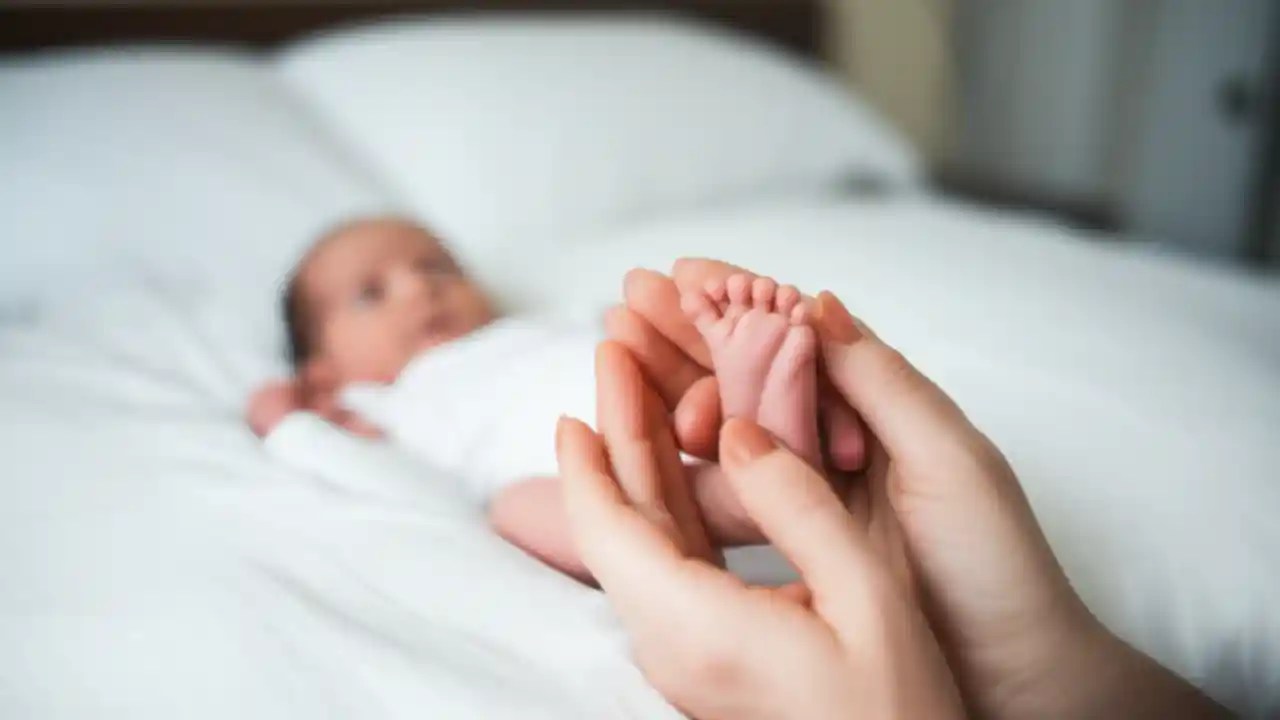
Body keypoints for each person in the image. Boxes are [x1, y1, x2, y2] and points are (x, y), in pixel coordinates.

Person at [553, 258, 1231, 719]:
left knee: (705, 447)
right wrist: (1045, 669)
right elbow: (490, 499)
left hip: (649, 408)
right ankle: (756, 466)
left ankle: (766, 443)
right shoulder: (449, 386)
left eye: (445, 266)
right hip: (571, 434)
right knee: (551, 499)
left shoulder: (553, 317)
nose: (438, 291)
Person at [244, 217, 863, 579]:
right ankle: (738, 496)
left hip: (672, 412)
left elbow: (628, 328)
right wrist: (289, 426)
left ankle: (776, 408)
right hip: (574, 481)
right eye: (370, 294)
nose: (418, 291)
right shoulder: (378, 406)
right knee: (513, 512)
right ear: (322, 372)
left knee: (665, 350)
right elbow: (372, 479)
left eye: (436, 269)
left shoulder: (537, 325)